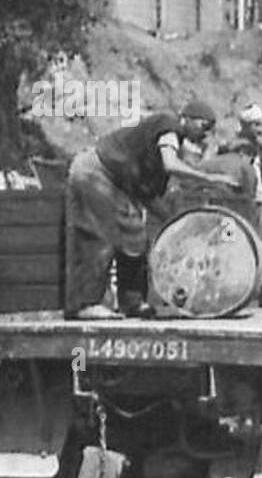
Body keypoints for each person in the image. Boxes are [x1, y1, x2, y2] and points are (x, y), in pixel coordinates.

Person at [65, 101, 239, 319]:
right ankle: (85, 304)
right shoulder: (168, 124)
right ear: (187, 119)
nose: (206, 134)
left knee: (135, 237)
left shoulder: (154, 164)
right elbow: (171, 164)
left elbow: (150, 198)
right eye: (204, 126)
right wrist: (211, 179)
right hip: (96, 170)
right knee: (99, 235)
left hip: (119, 182)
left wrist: (180, 227)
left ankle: (132, 303)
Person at [217, 101, 262, 224]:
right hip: (245, 200)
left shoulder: (258, 148)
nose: (260, 128)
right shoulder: (240, 147)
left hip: (258, 199)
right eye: (256, 124)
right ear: (246, 125)